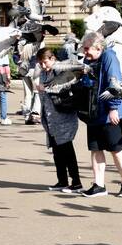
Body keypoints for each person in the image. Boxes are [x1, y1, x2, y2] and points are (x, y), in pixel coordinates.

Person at [80, 35, 122, 198]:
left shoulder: (109, 57)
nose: (84, 51)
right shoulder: (88, 61)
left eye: (87, 48)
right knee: (96, 149)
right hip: (94, 112)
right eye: (84, 48)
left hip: (110, 113)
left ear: (98, 48)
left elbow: (114, 82)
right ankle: (99, 185)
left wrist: (113, 108)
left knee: (115, 149)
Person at [36, 49, 82, 193]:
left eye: (45, 62)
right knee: (57, 151)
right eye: (40, 63)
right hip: (51, 118)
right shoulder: (44, 72)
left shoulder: (61, 69)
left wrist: (46, 88)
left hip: (64, 117)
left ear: (53, 58)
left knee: (67, 150)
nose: (43, 66)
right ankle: (62, 180)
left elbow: (67, 84)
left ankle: (76, 183)